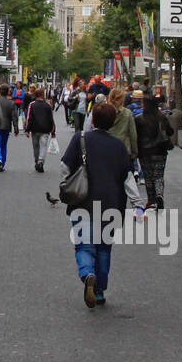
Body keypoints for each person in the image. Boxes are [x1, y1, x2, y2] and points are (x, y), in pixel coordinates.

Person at [62, 100, 130, 309]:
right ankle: (99, 290)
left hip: (83, 201)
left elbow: (65, 166)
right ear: (112, 122)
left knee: (84, 245)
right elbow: (126, 178)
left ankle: (87, 274)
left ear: (93, 119)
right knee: (104, 249)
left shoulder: (80, 139)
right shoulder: (119, 146)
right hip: (111, 203)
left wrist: (66, 185)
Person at [135, 92, 174, 211]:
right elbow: (170, 132)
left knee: (148, 176)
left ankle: (151, 200)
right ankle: (159, 195)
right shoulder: (162, 117)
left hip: (145, 151)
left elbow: (136, 135)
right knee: (158, 175)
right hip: (161, 151)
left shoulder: (139, 119)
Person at [25, 87, 56, 173]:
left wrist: (27, 129)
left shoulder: (32, 104)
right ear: (43, 95)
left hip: (35, 129)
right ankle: (41, 161)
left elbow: (29, 118)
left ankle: (36, 161)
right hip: (45, 129)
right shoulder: (48, 105)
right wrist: (53, 131)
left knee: (36, 147)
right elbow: (51, 119)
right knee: (43, 146)